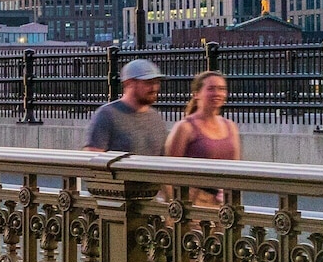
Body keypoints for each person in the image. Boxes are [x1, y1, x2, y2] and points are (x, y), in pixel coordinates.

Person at [165, 71, 238, 206]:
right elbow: (169, 173)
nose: (217, 93)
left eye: (221, 89)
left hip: (223, 202)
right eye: (211, 89)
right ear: (196, 94)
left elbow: (237, 167)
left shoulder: (230, 126)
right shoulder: (185, 127)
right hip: (194, 202)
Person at [84, 59, 168, 155]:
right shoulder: (107, 115)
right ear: (129, 83)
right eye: (148, 83)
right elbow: (93, 158)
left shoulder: (155, 117)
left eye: (156, 83)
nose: (154, 88)